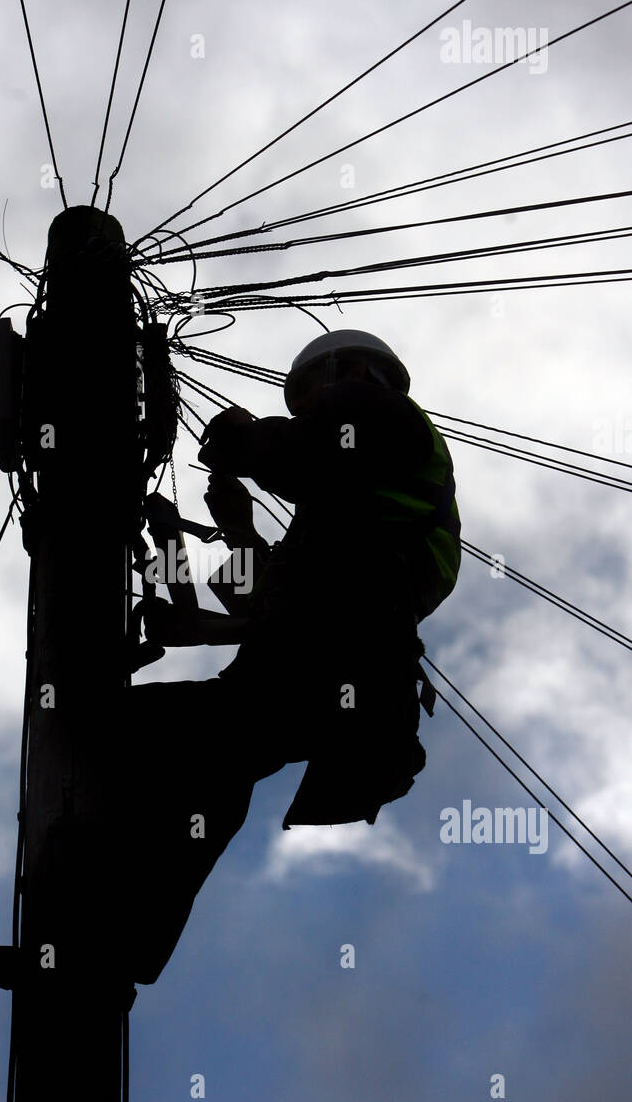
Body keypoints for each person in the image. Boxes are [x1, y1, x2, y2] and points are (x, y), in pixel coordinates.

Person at [119, 329, 461, 985]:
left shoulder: (388, 421)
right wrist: (216, 533)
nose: (314, 408)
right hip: (335, 682)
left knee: (117, 727)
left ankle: (89, 929)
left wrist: (245, 441)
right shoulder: (352, 519)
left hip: (336, 670)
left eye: (313, 396)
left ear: (360, 373)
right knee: (214, 767)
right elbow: (255, 601)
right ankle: (118, 951)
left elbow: (305, 449)